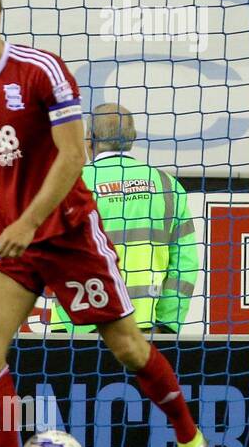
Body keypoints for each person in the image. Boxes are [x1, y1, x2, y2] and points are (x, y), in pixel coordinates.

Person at [0, 0, 221, 447]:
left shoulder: (40, 70)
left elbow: (73, 155)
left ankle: (194, 446)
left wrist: (28, 220)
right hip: (16, 246)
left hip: (69, 234)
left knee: (129, 348)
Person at [51, 104, 198, 335]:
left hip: (79, 326)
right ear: (132, 138)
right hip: (144, 329)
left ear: (89, 139)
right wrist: (167, 324)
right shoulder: (167, 186)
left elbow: (49, 258)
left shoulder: (68, 184)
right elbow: (185, 265)